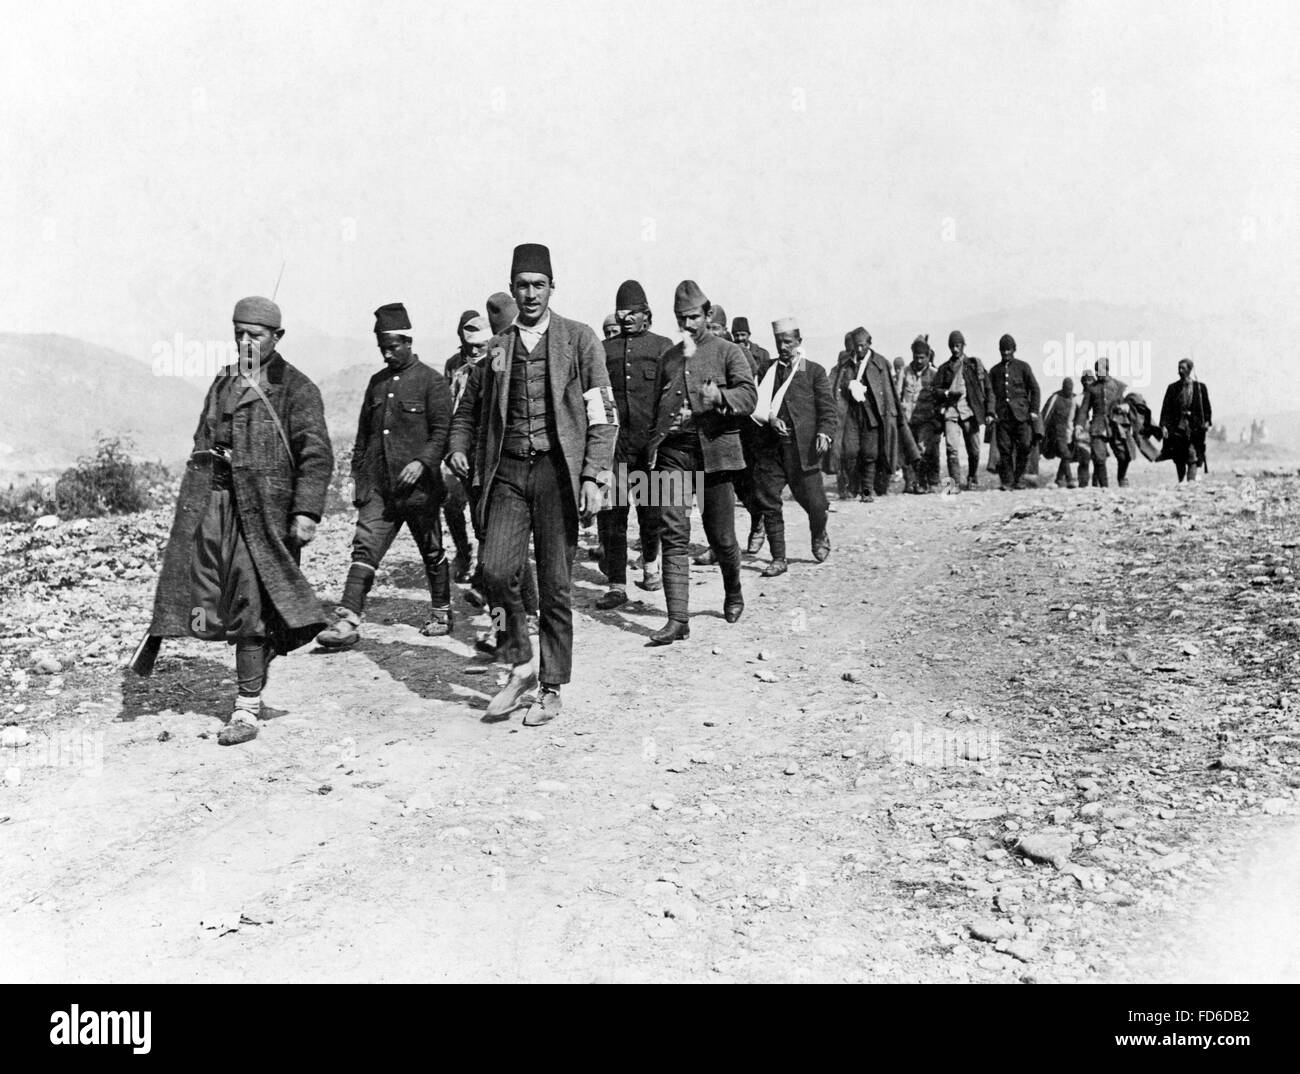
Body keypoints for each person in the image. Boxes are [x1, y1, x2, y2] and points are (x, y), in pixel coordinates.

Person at [146, 296, 333, 746]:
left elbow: (317, 454)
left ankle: (246, 709)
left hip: (267, 516)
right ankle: (260, 659)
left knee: (251, 601)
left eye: (257, 335)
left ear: (277, 337)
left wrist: (306, 511)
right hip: (218, 506)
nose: (247, 342)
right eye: (240, 334)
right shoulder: (223, 380)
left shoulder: (297, 387)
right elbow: (201, 442)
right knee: (219, 597)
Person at [447, 243, 617, 726]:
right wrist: (459, 445)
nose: (530, 294)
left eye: (538, 285)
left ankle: (551, 686)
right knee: (497, 572)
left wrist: (593, 475)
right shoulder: (497, 349)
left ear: (551, 287)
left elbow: (603, 415)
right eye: (521, 286)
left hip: (557, 473)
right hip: (507, 473)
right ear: (512, 289)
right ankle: (520, 661)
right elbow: (468, 409)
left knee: (556, 584)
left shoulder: (579, 339)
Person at [317, 303, 455, 648]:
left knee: (431, 548)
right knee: (365, 546)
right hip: (380, 488)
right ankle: (347, 620)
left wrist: (422, 462)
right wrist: (358, 479)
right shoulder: (376, 384)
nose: (388, 354)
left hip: (420, 490)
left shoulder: (432, 382)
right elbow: (364, 437)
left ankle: (441, 611)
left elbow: (442, 432)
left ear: (408, 341)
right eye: (383, 348)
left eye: (393, 347)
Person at [644, 279, 756, 644]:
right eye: (681, 318)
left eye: (693, 317)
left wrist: (720, 397)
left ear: (708, 314)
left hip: (715, 455)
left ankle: (734, 590)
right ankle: (678, 620)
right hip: (673, 453)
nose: (687, 325)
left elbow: (749, 397)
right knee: (672, 533)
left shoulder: (727, 351)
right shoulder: (669, 357)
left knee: (721, 536)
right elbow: (656, 407)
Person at [595, 279, 672, 609]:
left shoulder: (663, 347)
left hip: (650, 447)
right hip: (614, 448)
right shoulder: (604, 350)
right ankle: (616, 584)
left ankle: (651, 566)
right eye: (620, 313)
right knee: (612, 515)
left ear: (647, 315)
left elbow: (672, 398)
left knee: (652, 512)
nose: (625, 319)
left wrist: (662, 440)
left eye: (632, 313)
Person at [749, 318, 834, 576]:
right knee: (769, 502)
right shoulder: (767, 370)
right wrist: (772, 419)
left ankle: (818, 533)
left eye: (788, 342)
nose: (783, 346)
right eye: (779, 342)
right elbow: (758, 405)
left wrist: (824, 433)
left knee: (817, 504)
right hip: (772, 450)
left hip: (803, 451)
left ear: (799, 342)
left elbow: (828, 410)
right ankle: (778, 558)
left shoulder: (814, 371)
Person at [839, 327, 917, 501]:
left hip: (873, 416)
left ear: (869, 343)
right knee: (850, 452)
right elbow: (839, 382)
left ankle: (867, 491)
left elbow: (888, 393)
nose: (859, 350)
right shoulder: (847, 362)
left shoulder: (879, 363)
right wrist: (848, 385)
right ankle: (853, 487)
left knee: (870, 453)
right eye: (856, 346)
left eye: (862, 346)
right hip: (852, 415)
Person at [443, 312, 491, 582]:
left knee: (482, 512)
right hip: (459, 446)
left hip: (483, 448)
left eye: (478, 344)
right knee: (452, 503)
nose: (473, 349)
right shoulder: (454, 364)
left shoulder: (491, 364)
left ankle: (486, 572)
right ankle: (463, 553)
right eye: (467, 342)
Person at [932, 330, 992, 491]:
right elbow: (935, 389)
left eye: (958, 346)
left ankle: (972, 477)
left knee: (974, 449)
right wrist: (946, 393)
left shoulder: (974, 366)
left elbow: (988, 389)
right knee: (951, 448)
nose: (955, 349)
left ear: (963, 345)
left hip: (970, 413)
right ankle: (954, 484)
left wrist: (989, 412)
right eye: (952, 346)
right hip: (951, 413)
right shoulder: (944, 369)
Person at [988, 333, 1041, 490]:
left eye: (1008, 350)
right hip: (1003, 417)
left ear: (1014, 349)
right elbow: (990, 394)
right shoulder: (994, 371)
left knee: (1025, 446)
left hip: (1022, 416)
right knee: (1005, 450)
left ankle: (1019, 478)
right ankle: (1008, 482)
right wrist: (991, 412)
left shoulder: (1023, 367)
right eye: (1003, 350)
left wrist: (1033, 411)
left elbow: (1035, 389)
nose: (1005, 353)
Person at [1158, 359, 1212, 482]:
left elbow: (1207, 408)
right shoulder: (1172, 388)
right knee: (1179, 456)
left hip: (1195, 427)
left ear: (1189, 370)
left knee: (1193, 455)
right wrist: (1164, 426)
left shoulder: (1200, 388)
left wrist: (1207, 421)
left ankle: (1190, 483)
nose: (1180, 371)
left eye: (1183, 368)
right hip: (1177, 427)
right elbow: (1165, 408)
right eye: (1179, 368)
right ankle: (1181, 481)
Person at [899, 336, 940, 493]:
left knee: (923, 450)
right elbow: (898, 394)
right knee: (909, 452)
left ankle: (925, 483)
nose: (919, 360)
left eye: (922, 357)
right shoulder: (905, 372)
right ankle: (912, 482)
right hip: (908, 419)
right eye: (917, 357)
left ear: (928, 357)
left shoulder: (934, 374)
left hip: (926, 420)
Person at [825, 333, 858, 498]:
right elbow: (829, 387)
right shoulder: (837, 368)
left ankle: (854, 486)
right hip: (839, 416)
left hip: (854, 416)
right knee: (839, 453)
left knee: (852, 452)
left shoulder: (860, 366)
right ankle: (844, 489)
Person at [1040, 376, 1080, 487]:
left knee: (1067, 456)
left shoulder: (1075, 399)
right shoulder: (1055, 397)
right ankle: (1069, 479)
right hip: (1056, 432)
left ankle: (1059, 479)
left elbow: (1080, 415)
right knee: (1065, 454)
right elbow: (1045, 414)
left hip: (1070, 432)